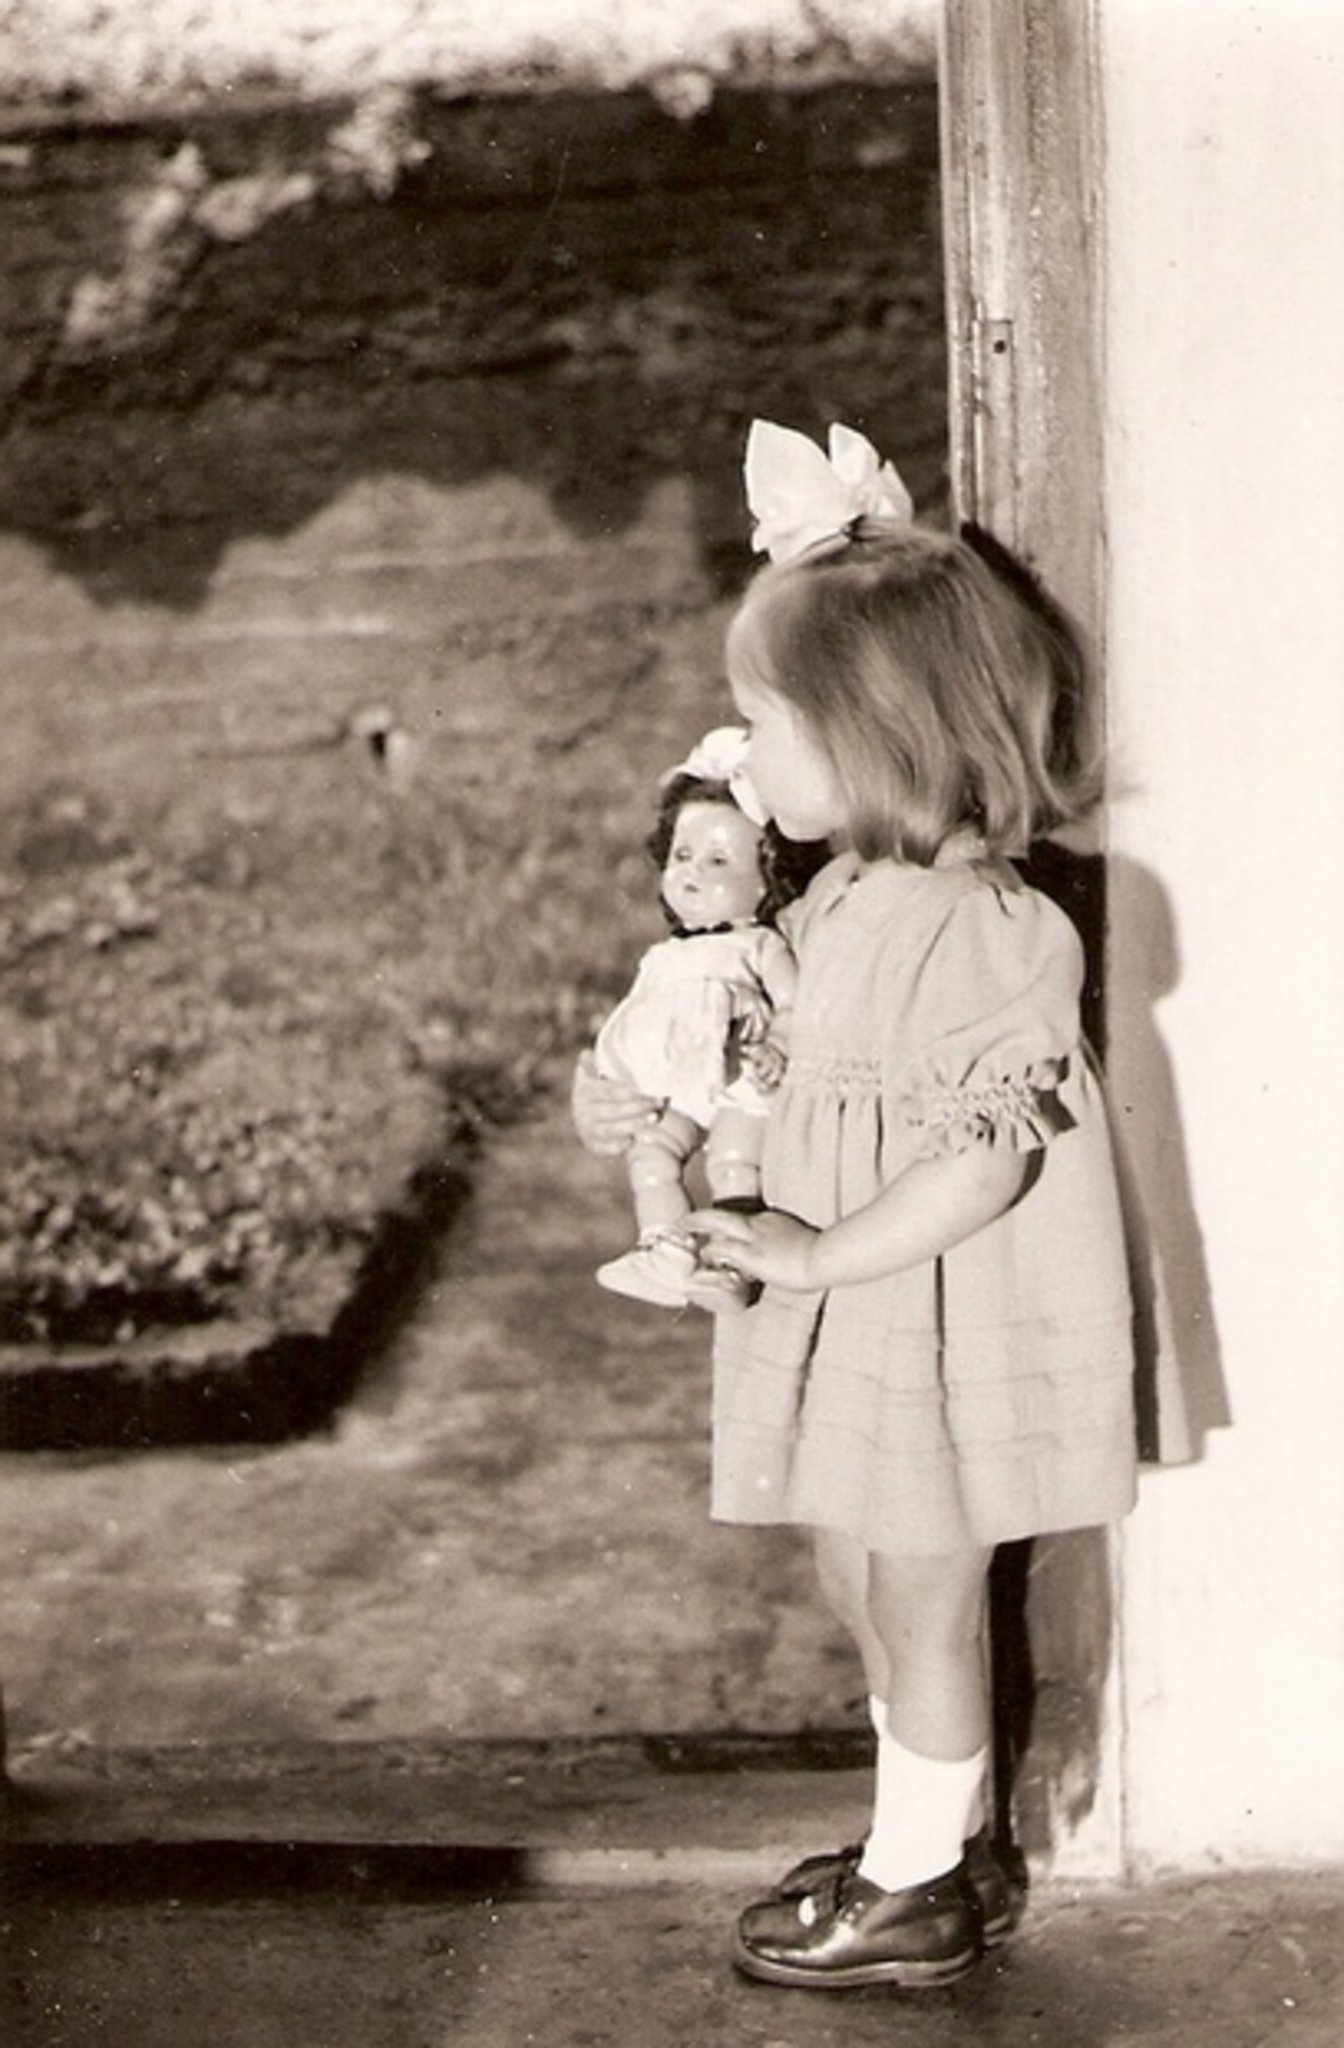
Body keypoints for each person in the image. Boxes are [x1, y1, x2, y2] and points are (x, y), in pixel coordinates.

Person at [573, 418, 1138, 1992]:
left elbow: (989, 1158)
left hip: (928, 1308)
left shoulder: (987, 930)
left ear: (877, 736)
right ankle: (929, 1832)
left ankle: (915, 1886)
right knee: (859, 1577)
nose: (744, 755)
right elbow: (754, 1049)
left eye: (770, 722)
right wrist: (642, 1101)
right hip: (863, 1310)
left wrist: (820, 1248)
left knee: (920, 1588)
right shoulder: (833, 895)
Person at [587, 727, 818, 1310]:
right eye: (683, 855)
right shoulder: (664, 956)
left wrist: (778, 1048)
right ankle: (664, 1247)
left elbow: (794, 1005)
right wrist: (614, 1080)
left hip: (740, 1078)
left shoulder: (759, 946)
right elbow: (634, 1021)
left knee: (733, 1161)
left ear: (768, 881)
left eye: (718, 860)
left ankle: (730, 1261)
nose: (692, 871)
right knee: (652, 1153)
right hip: (685, 1085)